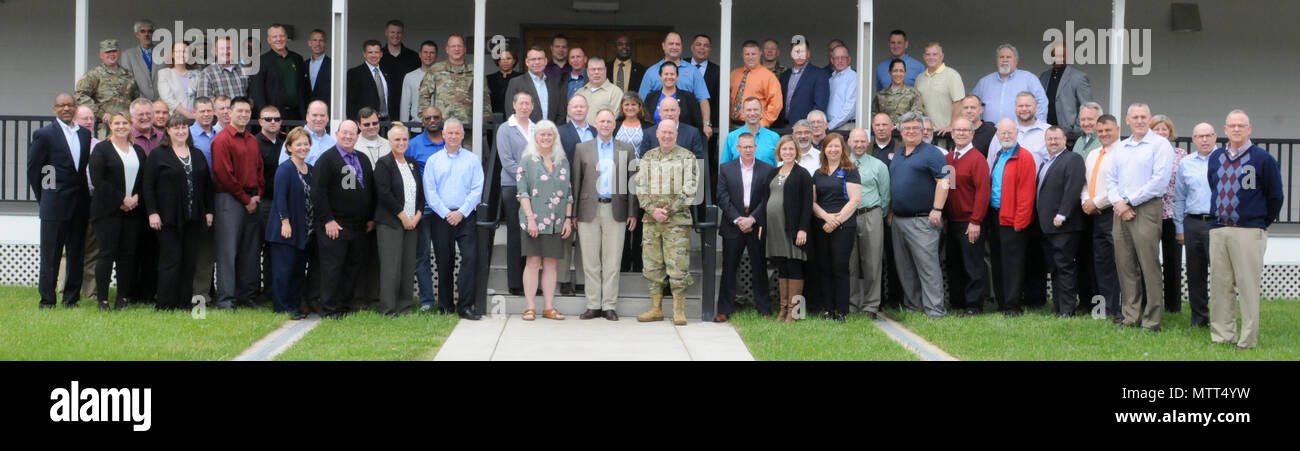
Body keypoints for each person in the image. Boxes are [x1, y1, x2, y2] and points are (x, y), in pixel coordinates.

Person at [1208, 110, 1283, 350]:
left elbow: (1275, 196)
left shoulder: (1262, 158)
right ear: (1226, 129)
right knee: (1220, 285)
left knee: (1248, 286)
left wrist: (1259, 221)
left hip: (1249, 231)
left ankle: (1247, 339)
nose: (1237, 129)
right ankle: (1222, 335)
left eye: (1242, 125)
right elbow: (1214, 185)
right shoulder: (1216, 156)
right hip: (1219, 229)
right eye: (1232, 125)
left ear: (1249, 129)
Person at [1106, 103, 1175, 332]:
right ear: (1127, 120)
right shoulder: (1122, 147)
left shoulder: (1160, 144)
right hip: (1121, 210)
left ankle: (1152, 319)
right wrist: (1119, 203)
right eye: (1135, 117)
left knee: (1149, 264)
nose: (1139, 120)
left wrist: (1129, 201)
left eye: (1144, 116)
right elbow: (1111, 180)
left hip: (1145, 208)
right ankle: (1130, 315)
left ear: (1149, 118)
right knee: (1125, 265)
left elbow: (1159, 181)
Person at [144, 114, 214, 311]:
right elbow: (148, 186)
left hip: (193, 217)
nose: (181, 131)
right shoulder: (159, 154)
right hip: (168, 218)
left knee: (189, 261)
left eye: (184, 127)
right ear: (168, 130)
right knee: (171, 261)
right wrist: (152, 212)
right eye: (176, 127)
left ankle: (184, 303)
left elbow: (208, 186)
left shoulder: (197, 154)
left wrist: (209, 211)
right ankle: (165, 304)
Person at [572, 109, 637, 320]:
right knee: (590, 261)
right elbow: (577, 182)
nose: (606, 125)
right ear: (595, 124)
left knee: (613, 260)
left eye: (609, 121)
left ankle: (609, 305)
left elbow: (632, 184)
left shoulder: (626, 149)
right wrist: (572, 214)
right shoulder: (582, 148)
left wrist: (632, 213)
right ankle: (593, 304)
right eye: (602, 121)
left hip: (616, 210)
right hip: (588, 210)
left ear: (614, 125)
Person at [29, 94, 92, 309]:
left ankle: (71, 299)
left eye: (70, 105)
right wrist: (45, 197)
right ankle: (47, 300)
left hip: (80, 204)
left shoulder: (84, 134)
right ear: (55, 108)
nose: (66, 108)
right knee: (51, 255)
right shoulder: (45, 135)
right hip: (54, 204)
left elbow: (81, 170)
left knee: (76, 254)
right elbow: (36, 170)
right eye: (62, 105)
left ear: (75, 108)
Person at [635, 120, 698, 326]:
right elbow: (640, 187)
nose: (667, 136)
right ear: (657, 133)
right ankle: (656, 309)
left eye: (671, 132)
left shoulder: (687, 157)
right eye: (663, 132)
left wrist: (668, 211)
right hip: (651, 221)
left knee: (678, 266)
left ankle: (679, 311)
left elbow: (690, 190)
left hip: (677, 222)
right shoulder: (648, 157)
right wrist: (653, 210)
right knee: (652, 265)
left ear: (676, 134)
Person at [887, 112, 949, 318]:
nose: (911, 132)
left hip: (923, 220)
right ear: (900, 132)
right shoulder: (898, 154)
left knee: (928, 267)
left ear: (923, 132)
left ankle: (935, 310)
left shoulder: (933, 153)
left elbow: (947, 180)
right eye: (907, 129)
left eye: (915, 128)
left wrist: (938, 209)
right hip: (899, 220)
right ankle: (914, 307)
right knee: (905, 268)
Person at [313, 120, 377, 319]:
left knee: (352, 267)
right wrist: (328, 220)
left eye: (352, 134)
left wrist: (370, 217)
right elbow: (318, 193)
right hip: (335, 225)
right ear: (337, 134)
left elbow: (371, 191)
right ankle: (329, 309)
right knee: (333, 269)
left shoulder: (363, 159)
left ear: (358, 136)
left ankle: (344, 306)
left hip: (359, 226)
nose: (348, 137)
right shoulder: (327, 160)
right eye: (345, 133)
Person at [422, 119, 484, 320]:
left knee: (470, 258)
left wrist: (462, 212)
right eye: (450, 133)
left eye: (457, 133)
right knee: (443, 261)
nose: (453, 136)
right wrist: (446, 213)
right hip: (441, 217)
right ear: (443, 136)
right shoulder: (434, 161)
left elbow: (477, 189)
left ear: (463, 135)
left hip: (466, 216)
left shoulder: (472, 160)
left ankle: (465, 306)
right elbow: (430, 192)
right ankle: (445, 305)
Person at [513, 120, 574, 321]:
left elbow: (569, 193)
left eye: (550, 135)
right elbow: (522, 192)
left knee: (551, 264)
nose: (546, 138)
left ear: (555, 137)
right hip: (533, 220)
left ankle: (549, 307)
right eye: (542, 135)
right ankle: (530, 307)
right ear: (536, 137)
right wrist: (530, 218)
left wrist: (567, 219)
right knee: (532, 262)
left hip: (556, 221)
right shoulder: (527, 161)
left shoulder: (562, 161)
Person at [88, 112, 146, 310]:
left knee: (127, 256)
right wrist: (121, 199)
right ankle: (102, 300)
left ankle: (122, 297)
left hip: (133, 211)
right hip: (107, 211)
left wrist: (136, 197)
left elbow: (144, 179)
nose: (121, 126)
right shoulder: (101, 149)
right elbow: (98, 181)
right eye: (117, 123)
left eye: (125, 123)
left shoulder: (137, 150)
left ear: (130, 125)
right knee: (107, 254)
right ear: (110, 126)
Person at [210, 97, 264, 310]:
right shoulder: (222, 140)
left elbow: (259, 170)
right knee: (227, 252)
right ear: (229, 113)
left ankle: (246, 296)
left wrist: (257, 194)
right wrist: (245, 199)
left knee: (250, 252)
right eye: (239, 111)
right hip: (230, 200)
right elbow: (223, 174)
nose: (243, 115)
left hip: (251, 199)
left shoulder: (252, 139)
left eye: (247, 111)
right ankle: (226, 300)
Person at [716, 132, 774, 322]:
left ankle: (764, 308)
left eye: (751, 146)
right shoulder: (726, 169)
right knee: (729, 268)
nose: (748, 150)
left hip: (756, 225)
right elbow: (722, 197)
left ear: (756, 148)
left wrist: (753, 219)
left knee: (759, 267)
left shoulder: (767, 170)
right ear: (737, 148)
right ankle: (724, 309)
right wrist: (738, 219)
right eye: (744, 147)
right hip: (733, 225)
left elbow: (768, 198)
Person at [984, 118, 1037, 316]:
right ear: (997, 136)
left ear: (1017, 134)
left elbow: (1026, 193)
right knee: (998, 261)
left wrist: (1020, 222)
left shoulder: (1024, 157)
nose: (1006, 136)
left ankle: (1013, 305)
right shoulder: (999, 155)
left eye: (1010, 133)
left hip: (1013, 219)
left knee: (1012, 264)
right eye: (1002, 133)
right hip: (995, 215)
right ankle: (1002, 302)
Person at [371, 123, 423, 316]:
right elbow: (384, 194)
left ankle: (405, 306)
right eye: (397, 139)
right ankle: (389, 308)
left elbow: (420, 193)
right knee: (391, 267)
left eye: (404, 139)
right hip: (391, 223)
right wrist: (402, 216)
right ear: (390, 141)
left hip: (412, 223)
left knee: (408, 266)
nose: (401, 143)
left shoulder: (412, 163)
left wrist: (417, 216)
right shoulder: (384, 164)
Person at [940, 118, 990, 316]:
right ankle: (958, 302)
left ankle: (974, 305)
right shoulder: (949, 158)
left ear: (972, 134)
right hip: (952, 221)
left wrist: (976, 221)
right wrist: (944, 217)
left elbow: (983, 192)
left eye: (965, 130)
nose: (960, 133)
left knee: (973, 265)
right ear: (951, 133)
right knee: (954, 263)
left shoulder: (977, 159)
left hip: (970, 222)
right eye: (957, 130)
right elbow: (947, 188)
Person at [1036, 126, 1087, 316]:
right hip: (1048, 226)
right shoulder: (1046, 162)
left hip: (1064, 225)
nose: (1053, 142)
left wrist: (1063, 214)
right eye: (1049, 139)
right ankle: (1058, 307)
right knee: (1055, 268)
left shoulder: (1072, 159)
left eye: (1056, 138)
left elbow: (1073, 189)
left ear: (1065, 139)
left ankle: (1067, 310)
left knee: (1065, 267)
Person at [810, 134, 861, 322]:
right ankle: (828, 309)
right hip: (822, 224)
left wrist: (836, 221)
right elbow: (813, 202)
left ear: (843, 149)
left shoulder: (850, 170)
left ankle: (842, 311)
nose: (833, 150)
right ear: (824, 150)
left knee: (840, 267)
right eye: (829, 147)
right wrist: (826, 218)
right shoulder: (818, 173)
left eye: (836, 147)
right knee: (824, 267)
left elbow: (855, 200)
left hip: (843, 225)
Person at [265, 127, 314, 320]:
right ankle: (281, 307)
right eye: (299, 144)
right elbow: (280, 199)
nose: (303, 147)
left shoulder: (310, 169)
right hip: (285, 229)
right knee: (283, 270)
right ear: (289, 147)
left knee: (297, 271)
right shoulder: (285, 169)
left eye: (306, 143)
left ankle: (294, 306)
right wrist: (285, 222)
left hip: (304, 230)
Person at [764, 135, 813, 323]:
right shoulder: (773, 173)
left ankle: (795, 312)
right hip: (774, 229)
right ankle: (783, 309)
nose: (788, 152)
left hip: (792, 229)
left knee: (794, 266)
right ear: (779, 152)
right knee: (782, 267)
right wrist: (762, 225)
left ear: (796, 152)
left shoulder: (802, 174)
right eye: (784, 149)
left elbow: (807, 204)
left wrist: (802, 229)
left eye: (791, 149)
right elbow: (764, 199)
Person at [1174, 122, 1218, 328]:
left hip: (1218, 223)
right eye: (1200, 136)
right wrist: (1180, 228)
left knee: (1220, 273)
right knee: (1195, 273)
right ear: (1193, 139)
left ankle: (1220, 319)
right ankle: (1199, 319)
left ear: (1215, 137)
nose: (1205, 140)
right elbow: (1179, 198)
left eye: (1208, 135)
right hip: (1192, 223)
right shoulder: (1186, 163)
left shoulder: (1224, 160)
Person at [56, 105, 101, 302]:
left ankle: (91, 292)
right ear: (74, 119)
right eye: (85, 118)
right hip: (71, 201)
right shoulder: (66, 142)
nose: (89, 122)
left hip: (93, 200)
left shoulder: (99, 145)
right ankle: (64, 288)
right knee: (69, 248)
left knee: (93, 249)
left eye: (91, 118)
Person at [1081, 114, 1123, 321]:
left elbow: (1120, 185)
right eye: (1101, 131)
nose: (1104, 134)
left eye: (1108, 130)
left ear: (1117, 129)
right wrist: (1086, 201)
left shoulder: (1123, 153)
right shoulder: (1093, 154)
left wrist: (1096, 202)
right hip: (1093, 214)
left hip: (1113, 212)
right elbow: (1085, 183)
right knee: (1101, 263)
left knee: (1117, 263)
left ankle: (1119, 309)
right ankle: (1104, 309)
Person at [638, 32, 712, 140]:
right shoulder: (651, 72)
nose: (674, 47)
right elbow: (641, 103)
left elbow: (703, 100)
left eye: (677, 44)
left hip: (685, 131)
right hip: (656, 132)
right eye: (671, 44)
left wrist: (706, 124)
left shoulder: (693, 71)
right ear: (663, 46)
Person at [555, 95, 595, 295]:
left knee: (586, 237)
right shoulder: (560, 132)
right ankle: (563, 279)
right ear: (569, 109)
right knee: (565, 234)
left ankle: (582, 279)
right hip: (566, 188)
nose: (578, 109)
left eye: (582, 106)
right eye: (574, 106)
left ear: (587, 108)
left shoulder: (596, 131)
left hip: (590, 191)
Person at [497, 92, 534, 296]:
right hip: (513, 187)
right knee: (515, 235)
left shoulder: (538, 128)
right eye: (521, 103)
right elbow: (507, 161)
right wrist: (527, 179)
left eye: (527, 103)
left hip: (535, 189)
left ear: (532, 106)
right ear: (514, 105)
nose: (524, 107)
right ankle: (515, 283)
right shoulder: (505, 129)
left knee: (532, 234)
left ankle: (530, 281)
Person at [408, 106, 446, 309]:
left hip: (444, 210)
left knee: (444, 255)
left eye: (436, 117)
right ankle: (427, 301)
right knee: (421, 257)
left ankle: (445, 300)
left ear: (442, 119)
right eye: (428, 118)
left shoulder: (450, 142)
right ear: (422, 121)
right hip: (421, 209)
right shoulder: (413, 145)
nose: (432, 120)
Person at [1151, 114, 1188, 313]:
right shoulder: (1146, 153)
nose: (1161, 132)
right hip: (1150, 215)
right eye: (1156, 128)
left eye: (1164, 129)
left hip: (1173, 215)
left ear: (1170, 132)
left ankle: (1173, 306)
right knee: (1149, 260)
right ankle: (1151, 302)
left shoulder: (1181, 154)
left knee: (1172, 261)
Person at [418, 34, 490, 124]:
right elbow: (424, 95)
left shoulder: (475, 71)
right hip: (441, 127)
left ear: (465, 49)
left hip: (468, 127)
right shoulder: (435, 70)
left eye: (459, 46)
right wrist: (427, 118)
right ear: (447, 49)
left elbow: (484, 98)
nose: (456, 49)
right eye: (453, 46)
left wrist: (483, 123)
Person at [971, 44, 1047, 124]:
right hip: (989, 133)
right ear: (997, 60)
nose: (1005, 60)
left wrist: (1038, 127)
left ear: (1016, 61)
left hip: (1020, 132)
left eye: (1008, 57)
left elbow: (1042, 102)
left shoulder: (1030, 79)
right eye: (1001, 57)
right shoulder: (984, 82)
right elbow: (971, 104)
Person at [76, 40, 139, 135]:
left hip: (126, 127)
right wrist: (100, 113)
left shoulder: (128, 75)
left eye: (114, 51)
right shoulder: (94, 74)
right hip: (104, 128)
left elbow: (135, 99)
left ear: (119, 53)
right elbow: (79, 96)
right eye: (108, 52)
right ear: (101, 55)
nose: (111, 54)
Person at [255, 105, 285, 304]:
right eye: (268, 119)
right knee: (255, 249)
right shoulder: (254, 143)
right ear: (260, 121)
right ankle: (254, 293)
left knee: (275, 249)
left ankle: (272, 292)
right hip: (262, 202)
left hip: (280, 203)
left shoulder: (285, 144)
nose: (272, 122)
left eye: (276, 118)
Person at [249, 23, 308, 120]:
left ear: (286, 37)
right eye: (274, 37)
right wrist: (265, 117)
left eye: (281, 36)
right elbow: (257, 93)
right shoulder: (260, 62)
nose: (278, 39)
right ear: (269, 40)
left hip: (297, 115)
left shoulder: (297, 59)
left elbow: (304, 89)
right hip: (272, 118)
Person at [1040, 43, 1093, 141]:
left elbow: (1087, 107)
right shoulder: (1044, 77)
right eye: (1055, 55)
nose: (1058, 58)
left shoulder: (1078, 77)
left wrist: (1076, 131)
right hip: (1047, 135)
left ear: (1067, 56)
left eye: (1061, 55)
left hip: (1070, 137)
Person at [504, 46, 566, 124]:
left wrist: (553, 131)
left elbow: (561, 113)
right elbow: (511, 113)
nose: (537, 62)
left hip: (550, 133)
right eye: (533, 59)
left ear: (545, 61)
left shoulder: (554, 84)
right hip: (525, 133)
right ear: (527, 62)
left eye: (540, 59)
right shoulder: (516, 83)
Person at [728, 40, 782, 127]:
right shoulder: (733, 74)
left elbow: (776, 104)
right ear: (742, 55)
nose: (750, 57)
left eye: (753, 54)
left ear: (760, 54)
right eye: (747, 54)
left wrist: (763, 123)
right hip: (733, 125)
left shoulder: (769, 76)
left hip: (757, 125)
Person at [777, 41, 829, 129]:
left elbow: (820, 105)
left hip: (806, 128)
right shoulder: (785, 75)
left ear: (808, 54)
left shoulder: (819, 74)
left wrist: (811, 125)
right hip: (783, 127)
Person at [914, 42, 965, 130]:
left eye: (935, 54)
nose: (931, 57)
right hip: (924, 132)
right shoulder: (919, 78)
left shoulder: (952, 75)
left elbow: (959, 103)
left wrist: (951, 126)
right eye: (928, 54)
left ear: (942, 56)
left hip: (945, 132)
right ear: (924, 56)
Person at [643, 62, 704, 131]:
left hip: (682, 140)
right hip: (655, 138)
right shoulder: (651, 97)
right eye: (666, 74)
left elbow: (698, 123)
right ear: (660, 76)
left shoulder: (688, 97)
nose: (669, 77)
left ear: (677, 76)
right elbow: (645, 121)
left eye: (672, 74)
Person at [638, 97, 705, 159]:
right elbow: (643, 160)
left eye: (673, 110)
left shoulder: (692, 133)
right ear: (659, 112)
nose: (670, 114)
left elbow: (699, 161)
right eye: (666, 110)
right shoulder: (648, 133)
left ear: (679, 111)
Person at [721, 97, 779, 165]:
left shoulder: (774, 138)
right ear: (742, 113)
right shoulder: (731, 137)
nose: (752, 113)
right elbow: (724, 168)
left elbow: (779, 167)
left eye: (755, 109)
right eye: (749, 110)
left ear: (762, 112)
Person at [347, 40, 395, 120]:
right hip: (366, 122)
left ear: (381, 54)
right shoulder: (355, 73)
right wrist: (356, 123)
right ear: (364, 54)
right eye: (370, 52)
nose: (373, 55)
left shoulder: (387, 72)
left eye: (376, 52)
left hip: (387, 121)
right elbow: (351, 103)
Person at [378, 19, 420, 111]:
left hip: (408, 107)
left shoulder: (413, 57)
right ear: (386, 33)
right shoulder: (378, 56)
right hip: (384, 109)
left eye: (399, 33)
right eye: (392, 32)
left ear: (402, 34)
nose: (395, 35)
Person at [279, 100, 336, 166]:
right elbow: (284, 168)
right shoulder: (293, 139)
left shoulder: (333, 143)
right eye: (315, 115)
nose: (318, 119)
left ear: (327, 118)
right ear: (307, 117)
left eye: (322, 115)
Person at [686, 33, 720, 140]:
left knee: (706, 156)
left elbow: (718, 100)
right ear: (692, 47)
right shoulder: (681, 65)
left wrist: (710, 123)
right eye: (698, 44)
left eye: (706, 45)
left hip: (708, 124)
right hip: (684, 120)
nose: (702, 48)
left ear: (710, 49)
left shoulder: (717, 70)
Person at [873, 59, 926, 124]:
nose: (898, 74)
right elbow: (875, 116)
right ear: (890, 72)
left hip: (907, 132)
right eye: (895, 71)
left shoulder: (914, 93)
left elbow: (918, 115)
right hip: (885, 133)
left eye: (901, 71)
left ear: (905, 73)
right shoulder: (881, 95)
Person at [157, 40, 199, 119]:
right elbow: (169, 100)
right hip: (174, 120)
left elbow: (201, 98)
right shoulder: (164, 73)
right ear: (172, 54)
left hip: (196, 119)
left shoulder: (197, 75)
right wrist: (189, 116)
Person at [572, 56, 623, 121]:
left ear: (605, 70)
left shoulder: (615, 92)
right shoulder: (579, 93)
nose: (596, 72)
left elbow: (615, 119)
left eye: (600, 69)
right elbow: (571, 116)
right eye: (593, 69)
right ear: (587, 71)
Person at [121, 20, 160, 101]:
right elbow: (128, 82)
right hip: (140, 103)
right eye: (143, 31)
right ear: (137, 35)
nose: (146, 34)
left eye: (150, 31)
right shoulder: (128, 55)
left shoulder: (163, 53)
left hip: (161, 103)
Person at [400, 40, 438, 122]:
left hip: (437, 127)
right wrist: (404, 127)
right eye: (425, 52)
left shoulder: (442, 77)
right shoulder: (410, 76)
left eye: (432, 53)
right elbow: (405, 106)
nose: (428, 55)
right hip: (416, 127)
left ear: (436, 55)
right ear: (420, 54)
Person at [826, 46, 859, 131]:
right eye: (836, 58)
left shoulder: (853, 77)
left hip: (846, 127)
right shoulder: (831, 79)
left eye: (843, 58)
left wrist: (830, 126)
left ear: (848, 60)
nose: (840, 61)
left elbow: (849, 108)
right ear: (832, 61)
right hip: (831, 125)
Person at [487, 48, 522, 116]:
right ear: (498, 61)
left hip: (515, 116)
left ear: (514, 61)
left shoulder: (521, 78)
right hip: (493, 117)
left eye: (508, 58)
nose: (505, 61)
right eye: (502, 59)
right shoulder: (489, 78)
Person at [306, 29, 332, 106]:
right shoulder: (303, 64)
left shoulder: (333, 65)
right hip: (306, 110)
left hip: (326, 109)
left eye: (321, 40)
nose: (317, 44)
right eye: (314, 40)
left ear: (325, 43)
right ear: (309, 43)